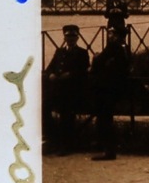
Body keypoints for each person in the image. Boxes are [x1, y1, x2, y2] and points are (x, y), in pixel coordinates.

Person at [43, 24, 90, 144]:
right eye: (68, 37)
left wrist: (70, 75)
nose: (70, 39)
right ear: (64, 38)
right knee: (43, 107)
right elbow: (50, 68)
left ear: (77, 38)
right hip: (58, 90)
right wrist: (50, 75)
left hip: (72, 91)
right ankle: (52, 136)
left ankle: (65, 143)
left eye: (73, 37)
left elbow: (83, 71)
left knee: (66, 111)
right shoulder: (59, 52)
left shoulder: (82, 53)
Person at [89, 27, 131, 160]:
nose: (110, 36)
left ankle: (108, 149)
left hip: (107, 88)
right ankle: (106, 146)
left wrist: (96, 58)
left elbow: (98, 62)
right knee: (105, 117)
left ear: (117, 36)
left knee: (104, 117)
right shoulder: (124, 48)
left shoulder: (113, 47)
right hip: (117, 88)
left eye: (112, 33)